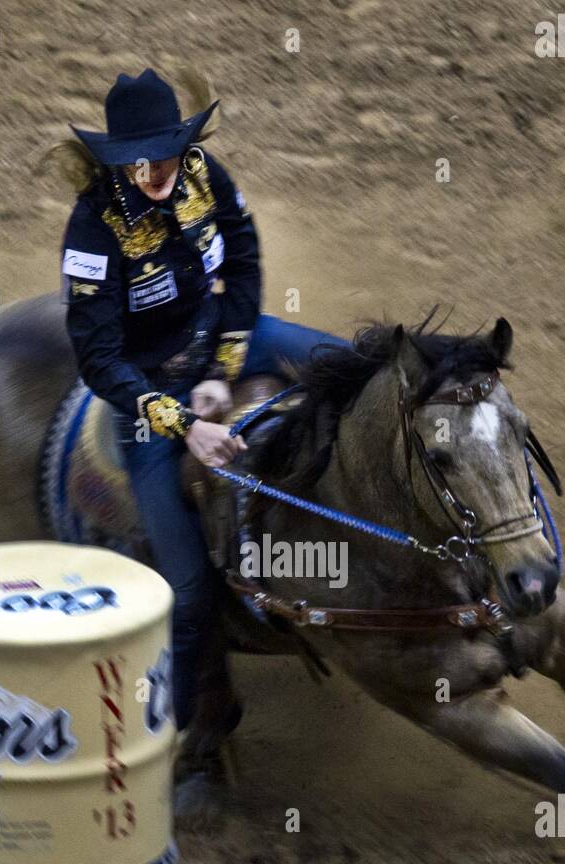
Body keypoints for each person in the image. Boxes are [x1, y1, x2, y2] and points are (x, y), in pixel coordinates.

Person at [61, 69, 344, 737]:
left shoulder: (201, 172)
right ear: (116, 160)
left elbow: (242, 257)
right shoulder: (92, 231)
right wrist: (185, 423)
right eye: (143, 158)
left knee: (352, 367)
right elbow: (100, 360)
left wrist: (224, 363)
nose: (158, 168)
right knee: (187, 595)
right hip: (148, 392)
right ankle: (184, 736)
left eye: (167, 151)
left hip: (224, 342)